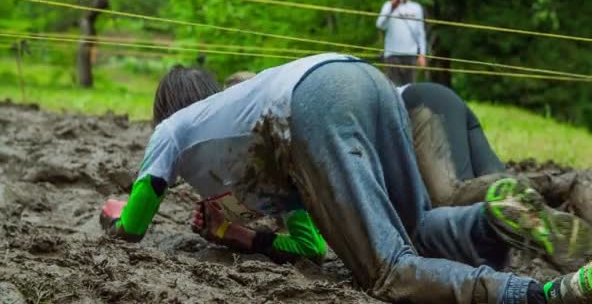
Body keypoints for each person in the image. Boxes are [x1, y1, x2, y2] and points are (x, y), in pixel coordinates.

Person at [99, 54, 592, 304]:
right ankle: (492, 215)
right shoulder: (240, 140)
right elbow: (310, 247)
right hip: (357, 78)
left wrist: (116, 217)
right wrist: (239, 235)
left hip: (308, 107)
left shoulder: (171, 128)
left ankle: (546, 295)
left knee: (387, 272)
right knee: (417, 229)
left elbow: (134, 224)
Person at [376, 0, 427, 86]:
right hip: (392, 56)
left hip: (410, 56)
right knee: (393, 89)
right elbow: (380, 25)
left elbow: (420, 33)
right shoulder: (387, 6)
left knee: (410, 89)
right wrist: (392, 8)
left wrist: (422, 54)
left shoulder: (416, 8)